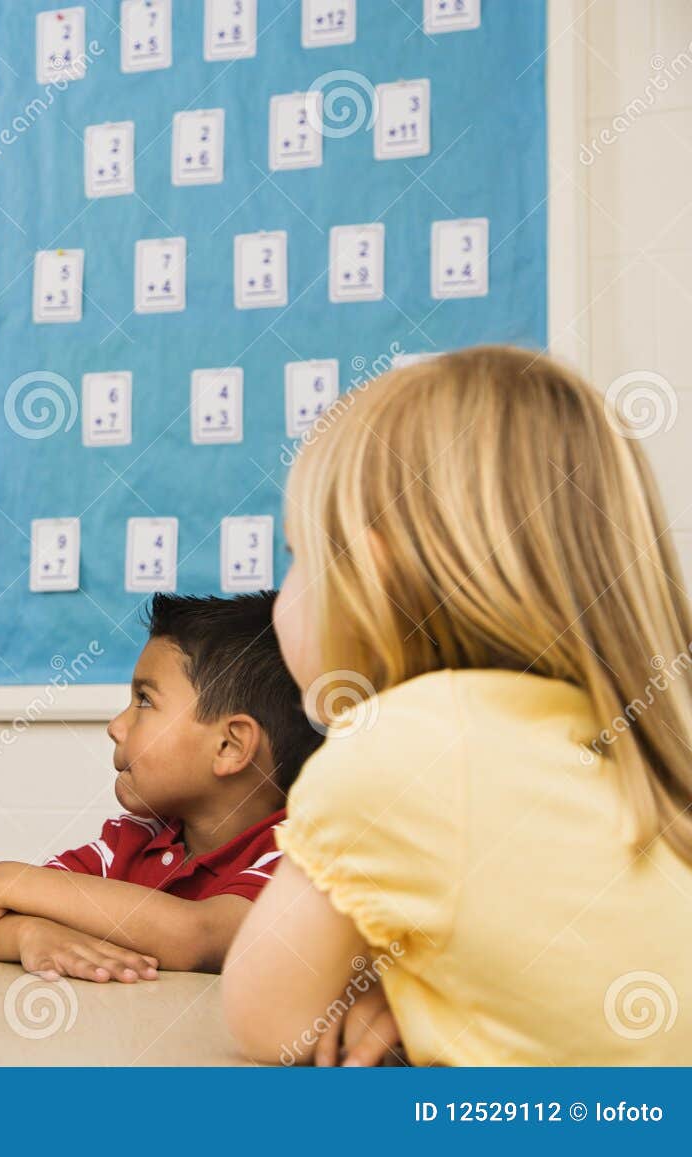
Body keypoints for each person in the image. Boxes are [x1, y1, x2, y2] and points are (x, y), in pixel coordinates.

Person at [224, 346, 692, 1066]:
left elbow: (268, 1021)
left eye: (296, 556)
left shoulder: (391, 752)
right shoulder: (644, 739)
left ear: (369, 578)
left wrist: (387, 991)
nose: (282, 594)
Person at [0, 593, 323, 976]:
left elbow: (202, 938)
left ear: (229, 745)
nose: (116, 726)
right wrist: (33, 934)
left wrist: (4, 880)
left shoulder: (299, 855)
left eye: (144, 701)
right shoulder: (133, 841)